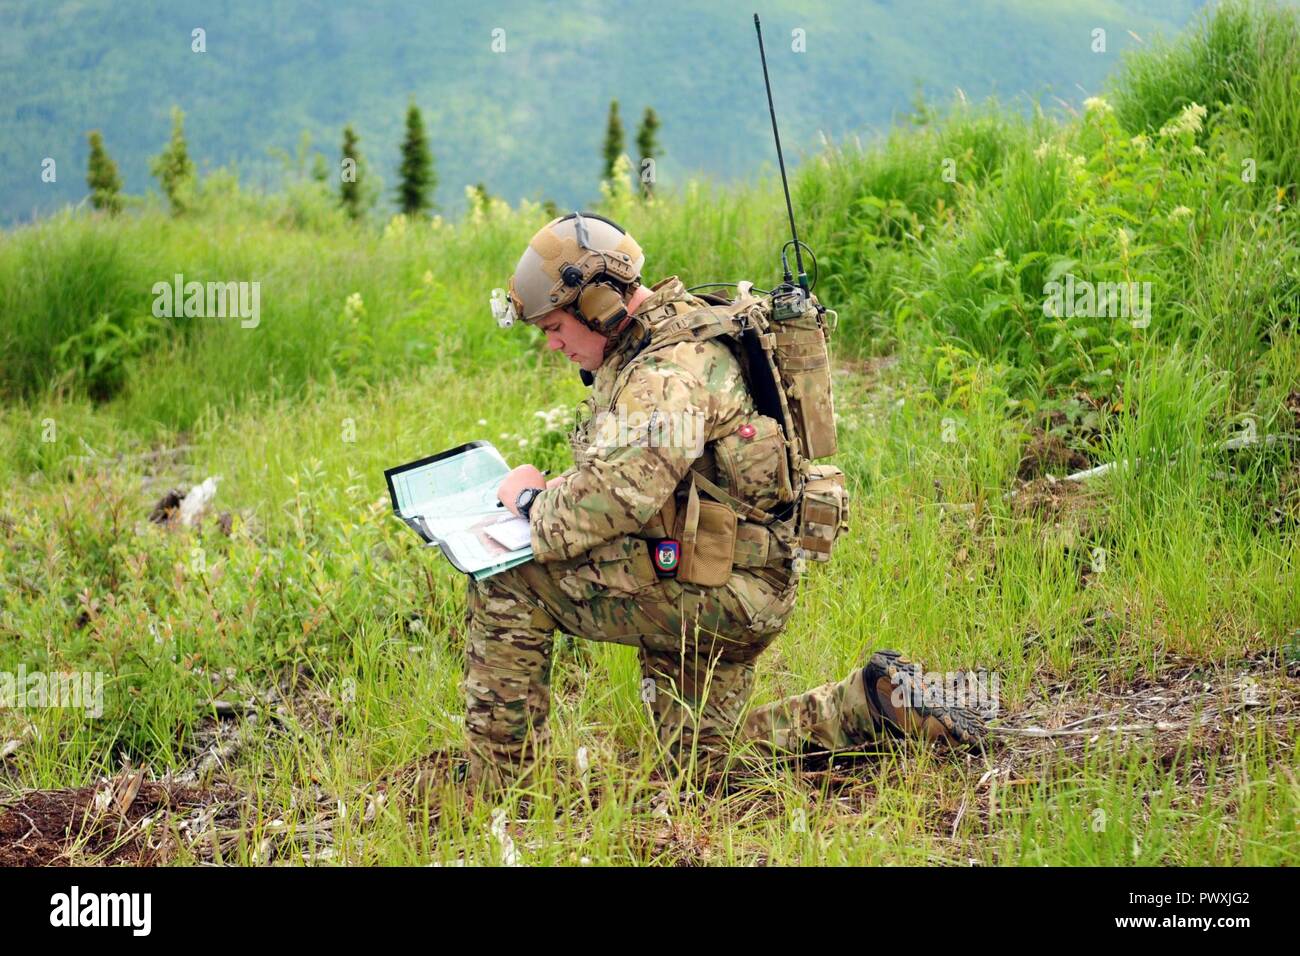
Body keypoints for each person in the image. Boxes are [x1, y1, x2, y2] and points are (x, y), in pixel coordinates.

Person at [464, 211, 985, 793]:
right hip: (733, 574)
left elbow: (613, 499)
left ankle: (501, 789)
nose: (554, 343)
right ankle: (871, 706)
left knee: (506, 580)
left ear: (598, 304)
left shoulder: (665, 373)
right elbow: (640, 473)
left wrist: (531, 497)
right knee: (699, 774)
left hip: (719, 591)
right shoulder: (683, 327)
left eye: (555, 326)